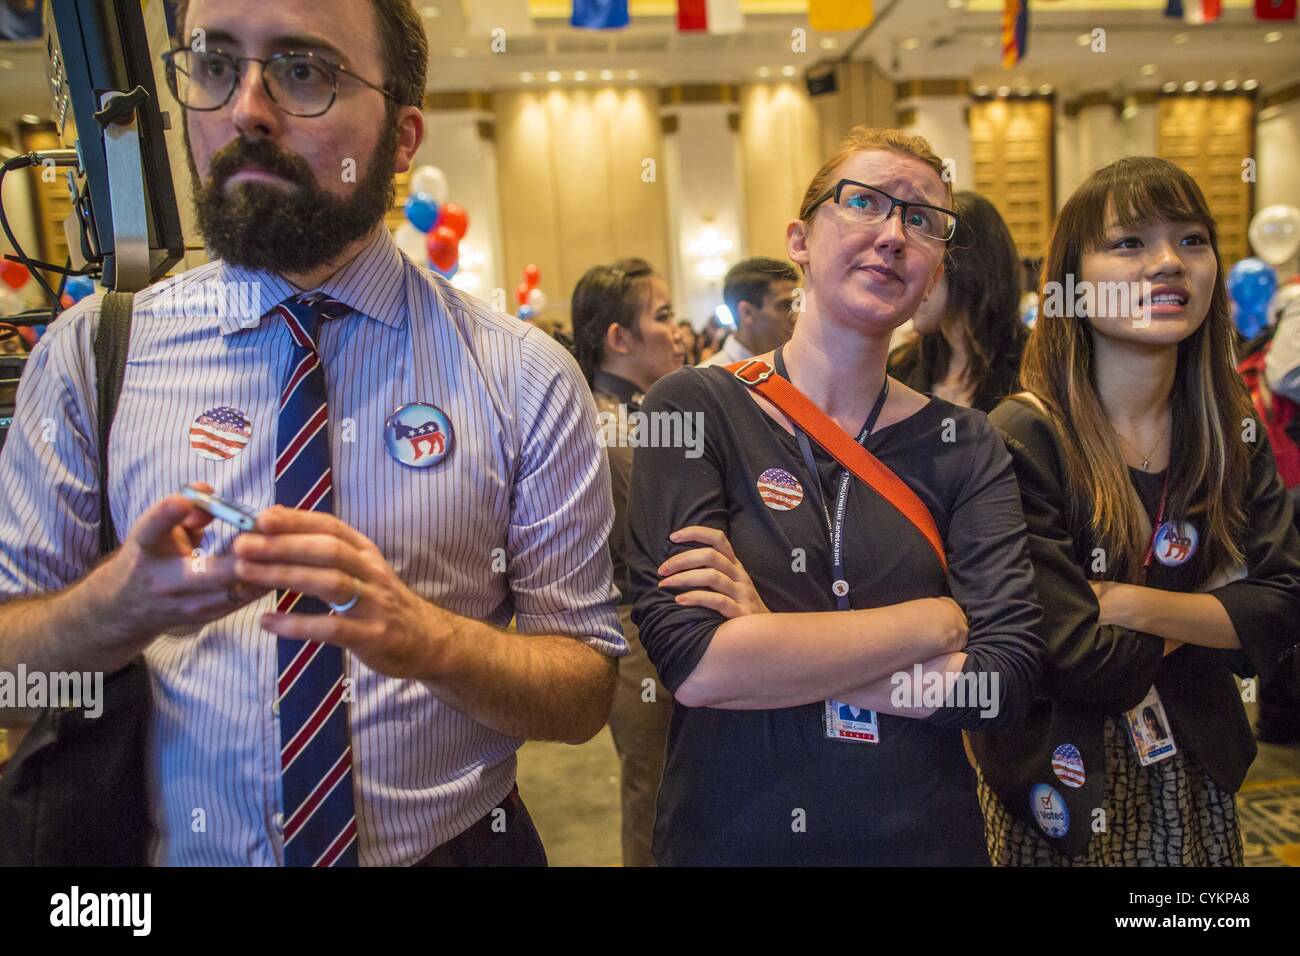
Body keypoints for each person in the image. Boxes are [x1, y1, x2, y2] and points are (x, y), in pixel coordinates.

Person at [0, 0, 625, 866]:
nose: (246, 109)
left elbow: (584, 690)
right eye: (214, 65)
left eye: (304, 72)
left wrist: (428, 640)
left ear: (403, 138)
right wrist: (119, 606)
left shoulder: (522, 376)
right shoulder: (94, 357)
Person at [624, 127, 1043, 866]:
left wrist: (769, 643)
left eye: (922, 219)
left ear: (938, 262)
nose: (893, 235)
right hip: (732, 834)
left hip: (919, 839)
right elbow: (697, 666)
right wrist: (935, 620)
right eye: (865, 203)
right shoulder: (692, 407)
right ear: (800, 239)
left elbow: (998, 686)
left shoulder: (967, 444)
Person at [970, 156, 1300, 866]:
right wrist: (1215, 611)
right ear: (1070, 285)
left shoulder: (1229, 430)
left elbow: (1283, 610)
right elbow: (1082, 659)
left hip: (1200, 772)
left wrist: (1122, 601)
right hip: (1062, 788)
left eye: (1191, 240)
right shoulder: (1025, 435)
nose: (1168, 264)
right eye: (1129, 243)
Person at [571, 257, 684, 867]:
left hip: (646, 620)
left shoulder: (634, 413)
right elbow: (665, 536)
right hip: (639, 625)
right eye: (662, 317)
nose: (678, 331)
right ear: (619, 338)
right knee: (656, 797)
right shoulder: (610, 424)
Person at [888, 191, 1028, 412]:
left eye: (923, 269)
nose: (909, 287)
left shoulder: (1033, 369)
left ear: (962, 267)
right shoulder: (901, 366)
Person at [697, 258, 798, 368]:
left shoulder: (798, 366)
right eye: (785, 306)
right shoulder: (709, 381)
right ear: (747, 313)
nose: (797, 316)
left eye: (798, 304)